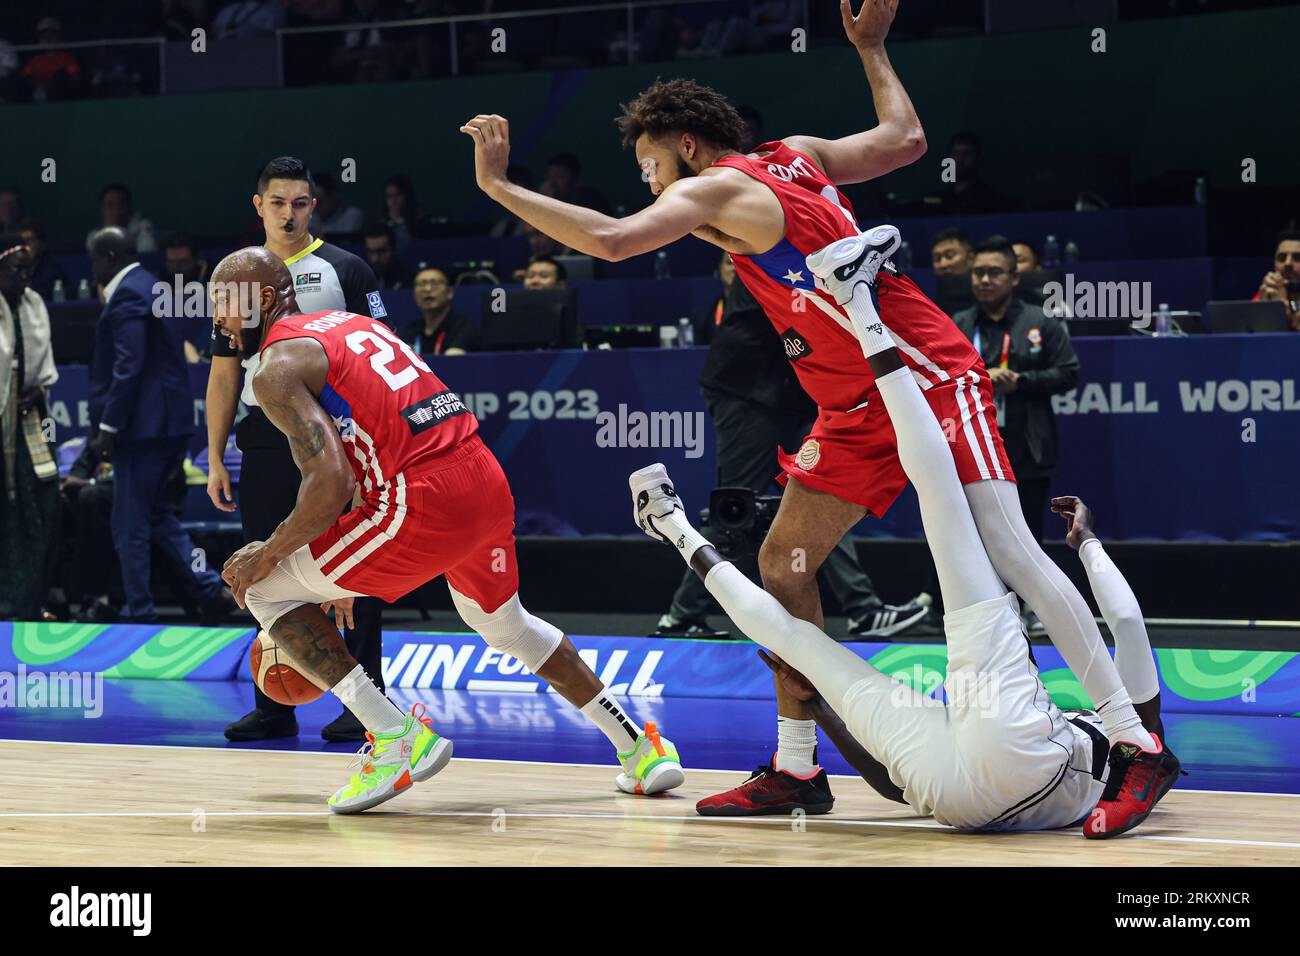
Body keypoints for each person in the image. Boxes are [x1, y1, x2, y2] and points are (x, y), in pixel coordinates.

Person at [461, 0, 1164, 821]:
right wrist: (871, 49)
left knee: (1011, 551)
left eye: (651, 166)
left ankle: (1135, 748)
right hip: (851, 406)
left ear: (687, 147)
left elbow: (613, 242)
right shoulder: (794, 156)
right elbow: (904, 139)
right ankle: (798, 764)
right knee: (783, 564)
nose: (647, 184)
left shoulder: (719, 188)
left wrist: (499, 185)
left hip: (924, 371)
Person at [628, 230, 1181, 836]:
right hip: (959, 796)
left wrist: (1088, 548)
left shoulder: (1076, 726)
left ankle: (858, 302)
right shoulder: (1069, 752)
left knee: (930, 512)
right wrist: (1093, 547)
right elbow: (888, 781)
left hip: (1007, 756)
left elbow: (1127, 624)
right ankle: (673, 525)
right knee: (802, 635)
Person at [211, 246, 686, 813]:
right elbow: (371, 441)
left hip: (418, 499)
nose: (215, 316)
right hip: (481, 477)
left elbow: (330, 480)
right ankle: (641, 750)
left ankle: (394, 739)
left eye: (221, 301)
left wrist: (270, 553)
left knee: (261, 585)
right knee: (507, 625)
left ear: (262, 299)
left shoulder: (275, 368)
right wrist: (334, 568)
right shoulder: (351, 324)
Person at [206, 156, 390, 744]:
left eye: (301, 203)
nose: (290, 214)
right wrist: (213, 455)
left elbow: (383, 354)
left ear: (315, 206)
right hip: (264, 438)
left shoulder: (346, 269)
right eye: (278, 203)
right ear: (258, 206)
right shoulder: (236, 276)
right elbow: (222, 371)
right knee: (263, 563)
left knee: (353, 565)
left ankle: (364, 703)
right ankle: (274, 703)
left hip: (338, 433)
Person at [653, 248, 926, 640]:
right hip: (747, 392)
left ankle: (863, 610)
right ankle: (680, 617)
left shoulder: (797, 247)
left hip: (794, 397)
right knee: (737, 508)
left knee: (820, 495)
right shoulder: (771, 251)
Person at [85, 227, 232, 624]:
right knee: (156, 516)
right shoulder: (151, 285)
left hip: (143, 428)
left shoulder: (129, 291)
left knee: (128, 525)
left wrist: (109, 427)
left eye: (94, 259)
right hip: (169, 424)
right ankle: (208, 589)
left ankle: (140, 614)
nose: (91, 267)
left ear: (109, 257)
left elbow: (128, 366)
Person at [951, 236, 1078, 585]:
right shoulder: (958, 324)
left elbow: (1069, 373)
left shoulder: (1041, 321)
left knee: (1025, 532)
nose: (984, 280)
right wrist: (981, 379)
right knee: (970, 530)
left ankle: (1032, 606)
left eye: (994, 272)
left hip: (1027, 443)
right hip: (973, 444)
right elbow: (938, 378)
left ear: (1014, 277)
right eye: (978, 273)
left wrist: (1020, 381)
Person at [0, 236, 59, 620]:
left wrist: (33, 391)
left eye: (29, 269)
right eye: (16, 270)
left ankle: (28, 603)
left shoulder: (35, 304)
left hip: (26, 427)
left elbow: (44, 373)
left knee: (39, 502)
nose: (25, 277)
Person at [397, 265, 478, 355]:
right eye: (421, 284)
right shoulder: (407, 332)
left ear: (449, 292)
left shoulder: (463, 328)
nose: (427, 289)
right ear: (414, 295)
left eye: (435, 283)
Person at [86, 183, 157, 255]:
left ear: (129, 208)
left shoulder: (143, 227)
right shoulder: (94, 236)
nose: (116, 212)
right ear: (102, 209)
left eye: (121, 205)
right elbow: (99, 262)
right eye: (110, 206)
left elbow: (147, 258)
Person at [1253, 228, 1300, 331]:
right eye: (1282, 258)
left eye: (1297, 258)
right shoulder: (1268, 292)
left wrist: (1288, 313)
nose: (1287, 263)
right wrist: (1261, 310)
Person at [16, 219, 66, 302]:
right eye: (21, 242)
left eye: (29, 241)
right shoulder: (11, 271)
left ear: (42, 245)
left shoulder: (52, 272)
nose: (24, 246)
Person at [310, 171, 364, 237]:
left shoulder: (352, 216)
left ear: (333, 197)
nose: (315, 207)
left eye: (320, 202)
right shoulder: (310, 218)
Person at [363, 222, 413, 290]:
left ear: (394, 249)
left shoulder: (408, 280)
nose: (375, 259)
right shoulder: (361, 280)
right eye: (371, 252)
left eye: (381, 251)